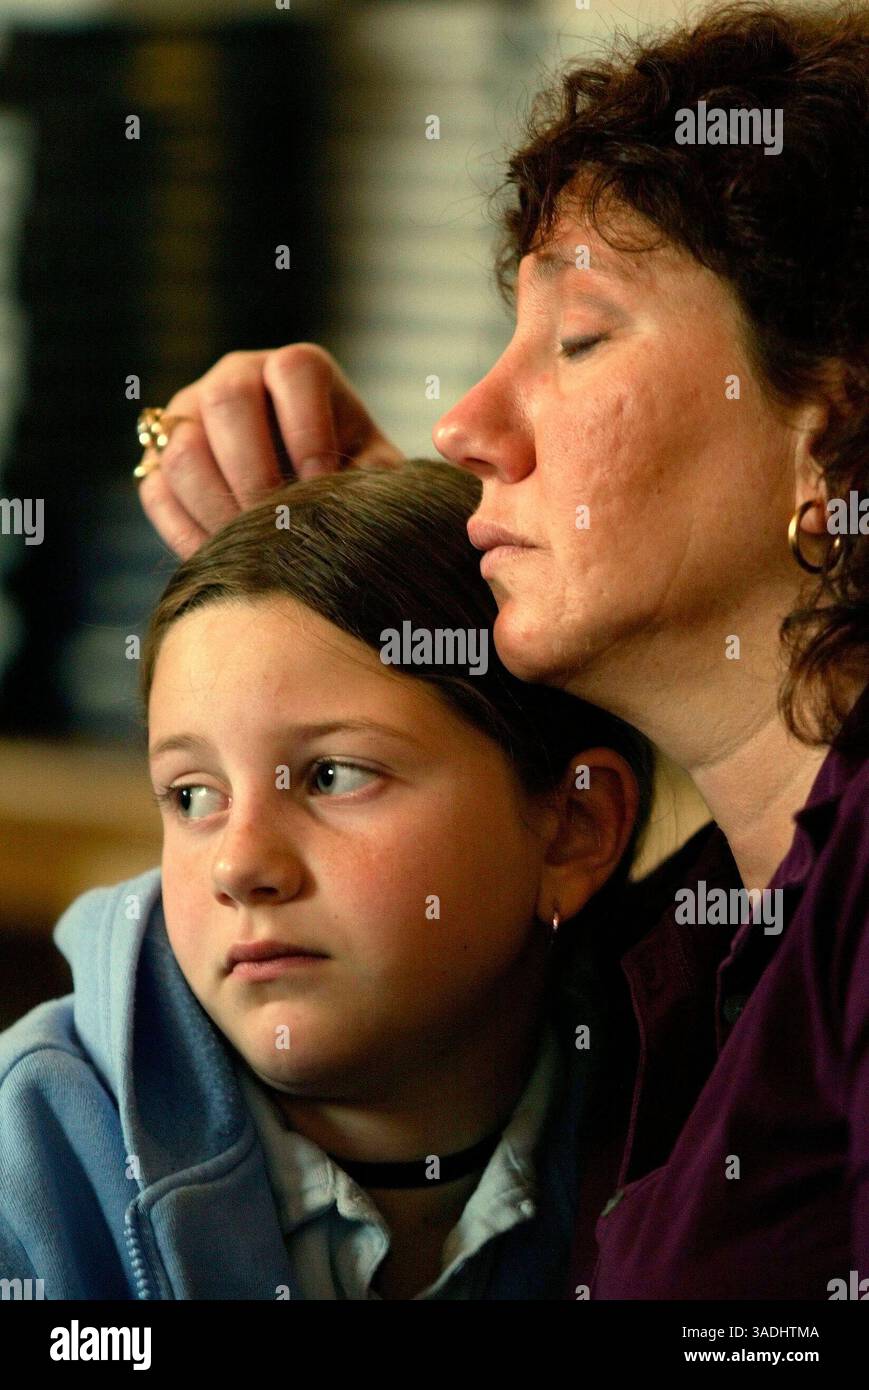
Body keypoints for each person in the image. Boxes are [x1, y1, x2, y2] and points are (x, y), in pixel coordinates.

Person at [133, 1, 869, 1298]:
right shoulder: (705, 940)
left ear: (834, 422)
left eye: (579, 337)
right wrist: (370, 579)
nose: (466, 421)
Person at [0, 460, 653, 1300]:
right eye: (193, 796)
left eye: (335, 777)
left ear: (572, 832)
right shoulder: (28, 1171)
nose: (239, 866)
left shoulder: (693, 1120)